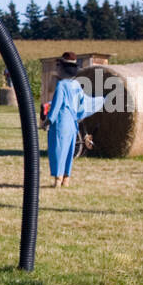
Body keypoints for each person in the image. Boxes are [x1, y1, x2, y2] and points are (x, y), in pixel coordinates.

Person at [43, 52, 105, 187]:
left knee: (58, 150)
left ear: (62, 68)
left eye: (58, 66)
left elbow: (56, 106)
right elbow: (83, 104)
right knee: (69, 151)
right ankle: (66, 178)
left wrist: (48, 121)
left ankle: (57, 180)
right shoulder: (76, 85)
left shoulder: (62, 86)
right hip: (72, 123)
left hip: (61, 123)